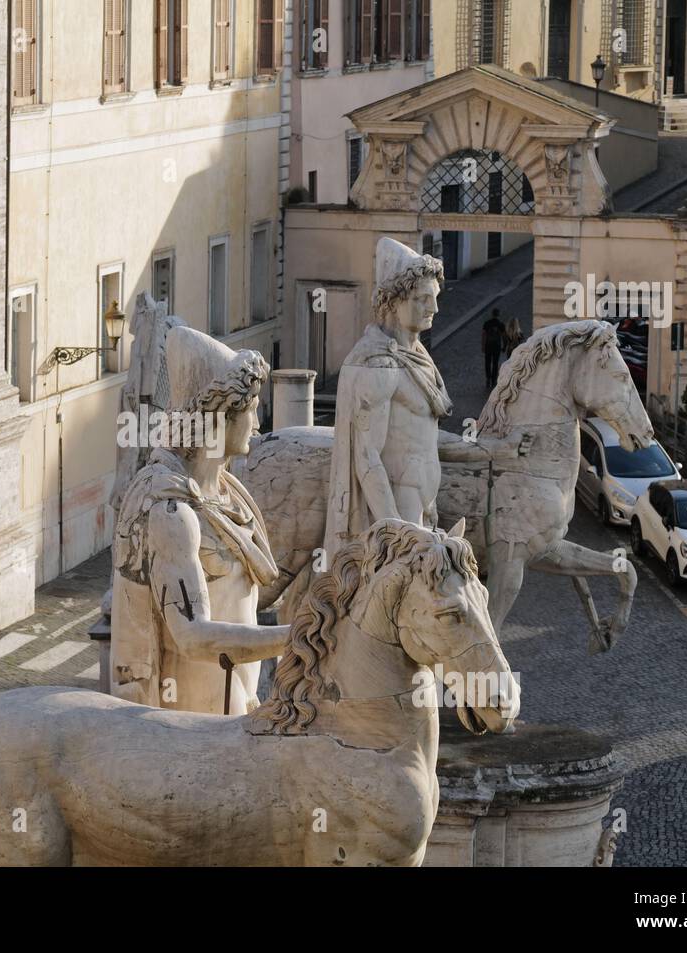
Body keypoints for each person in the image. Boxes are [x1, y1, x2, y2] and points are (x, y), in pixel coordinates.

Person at [110, 327, 291, 716]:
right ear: (219, 417)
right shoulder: (171, 511)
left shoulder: (227, 493)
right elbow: (191, 636)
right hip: (191, 720)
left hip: (237, 702)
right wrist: (297, 637)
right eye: (251, 409)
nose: (258, 422)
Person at [325, 236, 451, 555]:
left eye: (434, 298)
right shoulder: (379, 365)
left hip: (422, 500)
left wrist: (496, 451)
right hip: (399, 509)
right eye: (423, 299)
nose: (434, 308)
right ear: (394, 301)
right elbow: (367, 457)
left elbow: (424, 433)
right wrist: (396, 530)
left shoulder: (418, 355)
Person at [481, 308, 506, 389]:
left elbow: (484, 335)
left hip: (488, 345)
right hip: (497, 346)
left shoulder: (487, 323)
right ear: (498, 315)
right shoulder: (501, 324)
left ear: (492, 314)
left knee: (487, 363)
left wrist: (483, 346)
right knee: (495, 363)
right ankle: (494, 380)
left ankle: (488, 379)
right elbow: (503, 336)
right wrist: (504, 346)